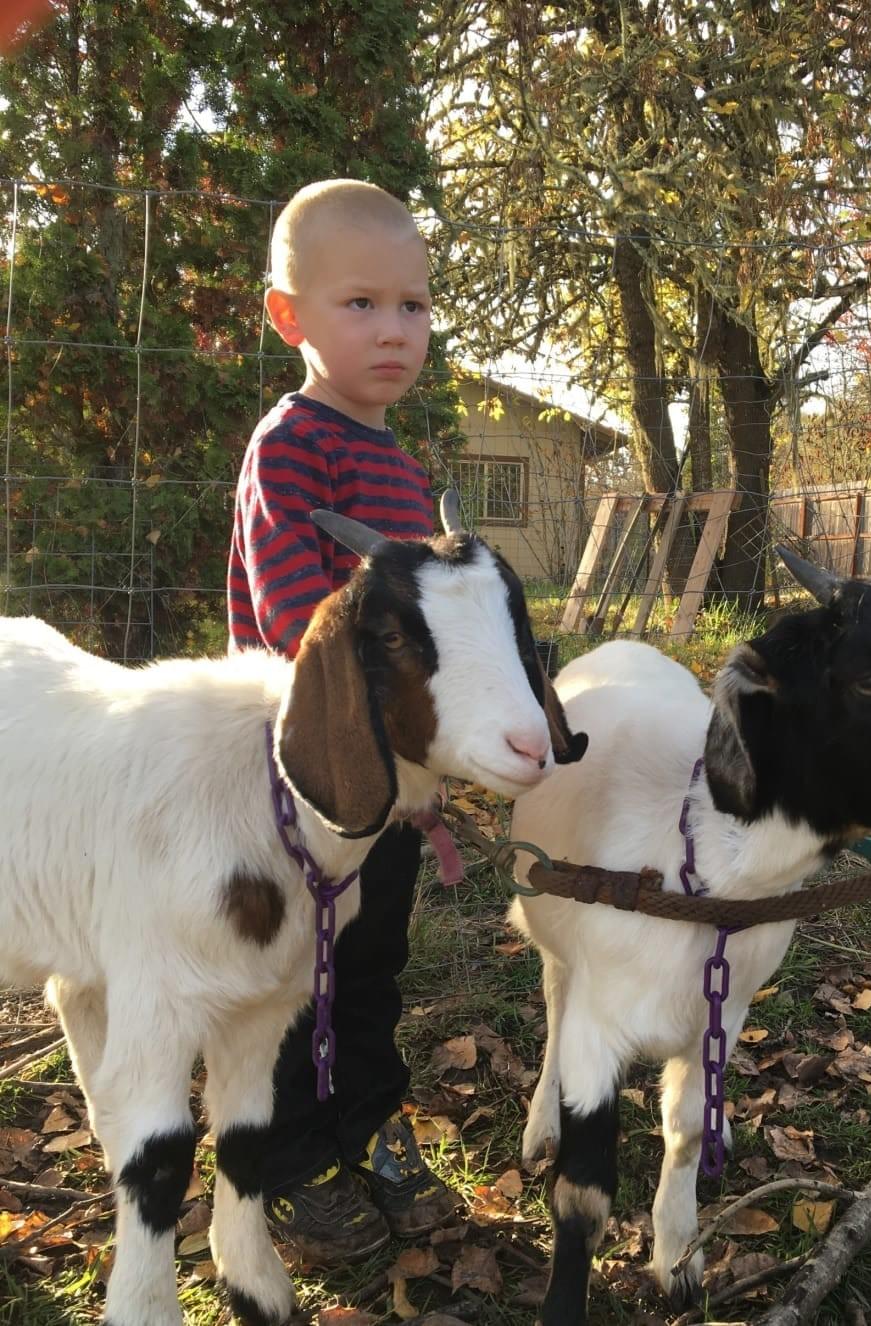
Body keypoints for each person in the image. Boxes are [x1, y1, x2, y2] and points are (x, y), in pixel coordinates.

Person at [227, 179, 458, 1263]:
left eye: (413, 305)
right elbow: (294, 625)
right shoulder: (291, 446)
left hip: (388, 788)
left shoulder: (403, 470)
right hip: (300, 783)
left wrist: (429, 757)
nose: (394, 330)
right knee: (289, 975)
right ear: (290, 316)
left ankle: (370, 1125)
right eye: (360, 303)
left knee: (369, 964)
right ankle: (291, 1161)